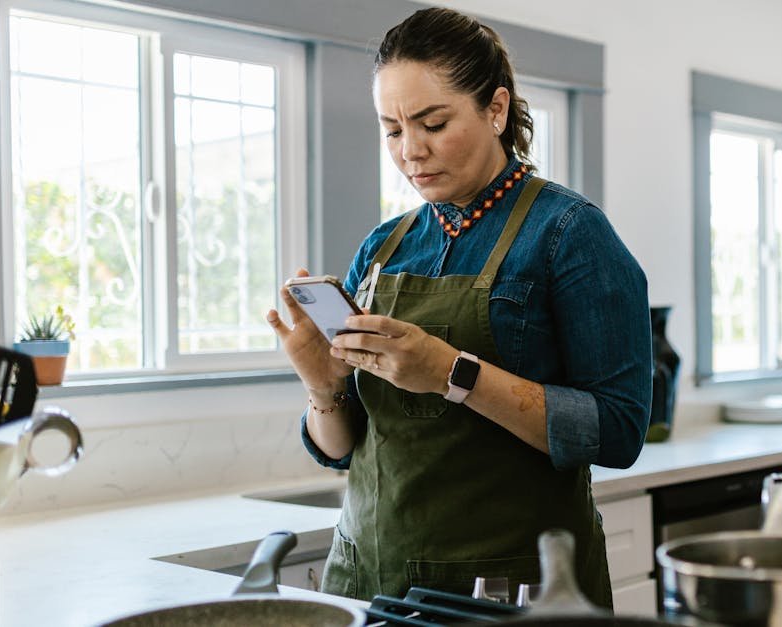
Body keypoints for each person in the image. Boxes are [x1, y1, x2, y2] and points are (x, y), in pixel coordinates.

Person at [265, 6, 651, 607]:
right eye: (392, 130)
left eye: (433, 123)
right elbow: (343, 449)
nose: (411, 151)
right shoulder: (386, 245)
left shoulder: (570, 232)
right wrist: (323, 384)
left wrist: (453, 374)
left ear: (495, 110)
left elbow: (620, 431)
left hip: (505, 587)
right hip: (370, 576)